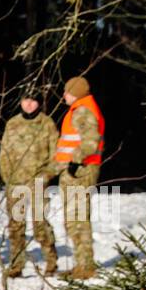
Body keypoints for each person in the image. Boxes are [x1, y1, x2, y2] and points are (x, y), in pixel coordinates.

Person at [0, 91, 59, 277]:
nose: (29, 104)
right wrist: (7, 176)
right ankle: (16, 265)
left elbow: (56, 154)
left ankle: (51, 262)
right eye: (26, 100)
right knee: (16, 226)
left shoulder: (46, 124)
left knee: (40, 223)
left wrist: (47, 175)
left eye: (33, 100)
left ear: (39, 103)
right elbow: (4, 153)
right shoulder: (12, 124)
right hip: (16, 183)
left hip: (38, 182)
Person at [55, 75, 105, 278]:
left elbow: (90, 142)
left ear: (74, 93)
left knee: (78, 219)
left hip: (81, 171)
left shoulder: (83, 111)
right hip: (75, 170)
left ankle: (85, 267)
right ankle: (81, 265)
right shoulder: (79, 109)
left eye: (66, 91)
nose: (64, 95)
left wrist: (76, 161)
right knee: (73, 219)